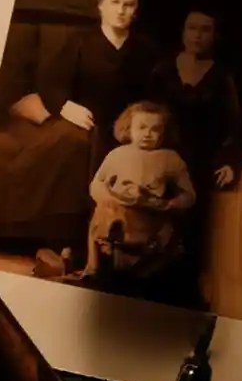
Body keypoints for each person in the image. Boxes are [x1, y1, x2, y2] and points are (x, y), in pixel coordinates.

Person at [0, 0, 159, 255]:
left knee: (82, 148)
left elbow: (150, 100)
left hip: (123, 132)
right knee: (64, 144)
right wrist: (66, 107)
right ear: (101, 5)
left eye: (128, 4)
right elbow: (52, 83)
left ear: (136, 9)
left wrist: (133, 127)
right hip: (78, 121)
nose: (121, 11)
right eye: (115, 2)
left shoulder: (145, 51)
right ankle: (21, 227)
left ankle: (76, 243)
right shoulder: (81, 41)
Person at [148, 7, 242, 319]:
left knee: (196, 219)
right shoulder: (162, 70)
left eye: (205, 29)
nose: (197, 35)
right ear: (183, 31)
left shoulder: (223, 76)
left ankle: (187, 293)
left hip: (204, 159)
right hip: (165, 155)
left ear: (215, 36)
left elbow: (235, 124)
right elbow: (146, 113)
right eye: (192, 28)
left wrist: (230, 161)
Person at [81, 101, 195, 282]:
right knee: (104, 216)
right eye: (141, 127)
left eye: (155, 129)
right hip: (118, 208)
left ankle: (145, 264)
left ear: (164, 132)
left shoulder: (171, 158)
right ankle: (96, 264)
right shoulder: (118, 154)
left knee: (166, 232)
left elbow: (189, 195)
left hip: (149, 212)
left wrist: (169, 204)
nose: (148, 134)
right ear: (128, 128)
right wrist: (106, 198)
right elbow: (97, 184)